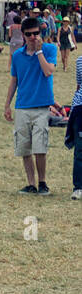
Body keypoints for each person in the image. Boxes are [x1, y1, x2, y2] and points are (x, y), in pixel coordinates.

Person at [5, 16, 57, 194]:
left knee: (40, 147)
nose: (34, 37)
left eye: (36, 33)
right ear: (23, 35)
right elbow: (14, 81)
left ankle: (42, 182)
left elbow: (48, 71)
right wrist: (7, 105)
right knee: (24, 147)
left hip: (42, 106)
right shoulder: (18, 55)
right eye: (29, 34)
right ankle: (31, 184)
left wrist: (39, 51)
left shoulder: (49, 49)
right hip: (22, 106)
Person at [67, 55, 82, 201]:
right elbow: (79, 85)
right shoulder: (80, 61)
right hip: (80, 109)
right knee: (80, 150)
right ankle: (78, 187)